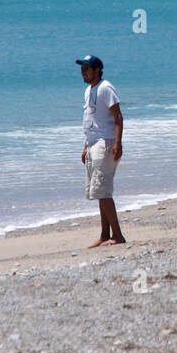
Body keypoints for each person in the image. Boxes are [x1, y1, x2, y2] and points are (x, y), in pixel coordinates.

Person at [78, 55, 124, 247]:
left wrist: (118, 143)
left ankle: (118, 235)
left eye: (87, 68)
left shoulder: (106, 88)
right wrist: (86, 146)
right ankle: (105, 235)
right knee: (98, 191)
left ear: (97, 70)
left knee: (103, 191)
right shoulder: (89, 90)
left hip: (105, 143)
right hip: (93, 144)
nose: (83, 72)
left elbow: (118, 116)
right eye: (82, 69)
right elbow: (92, 121)